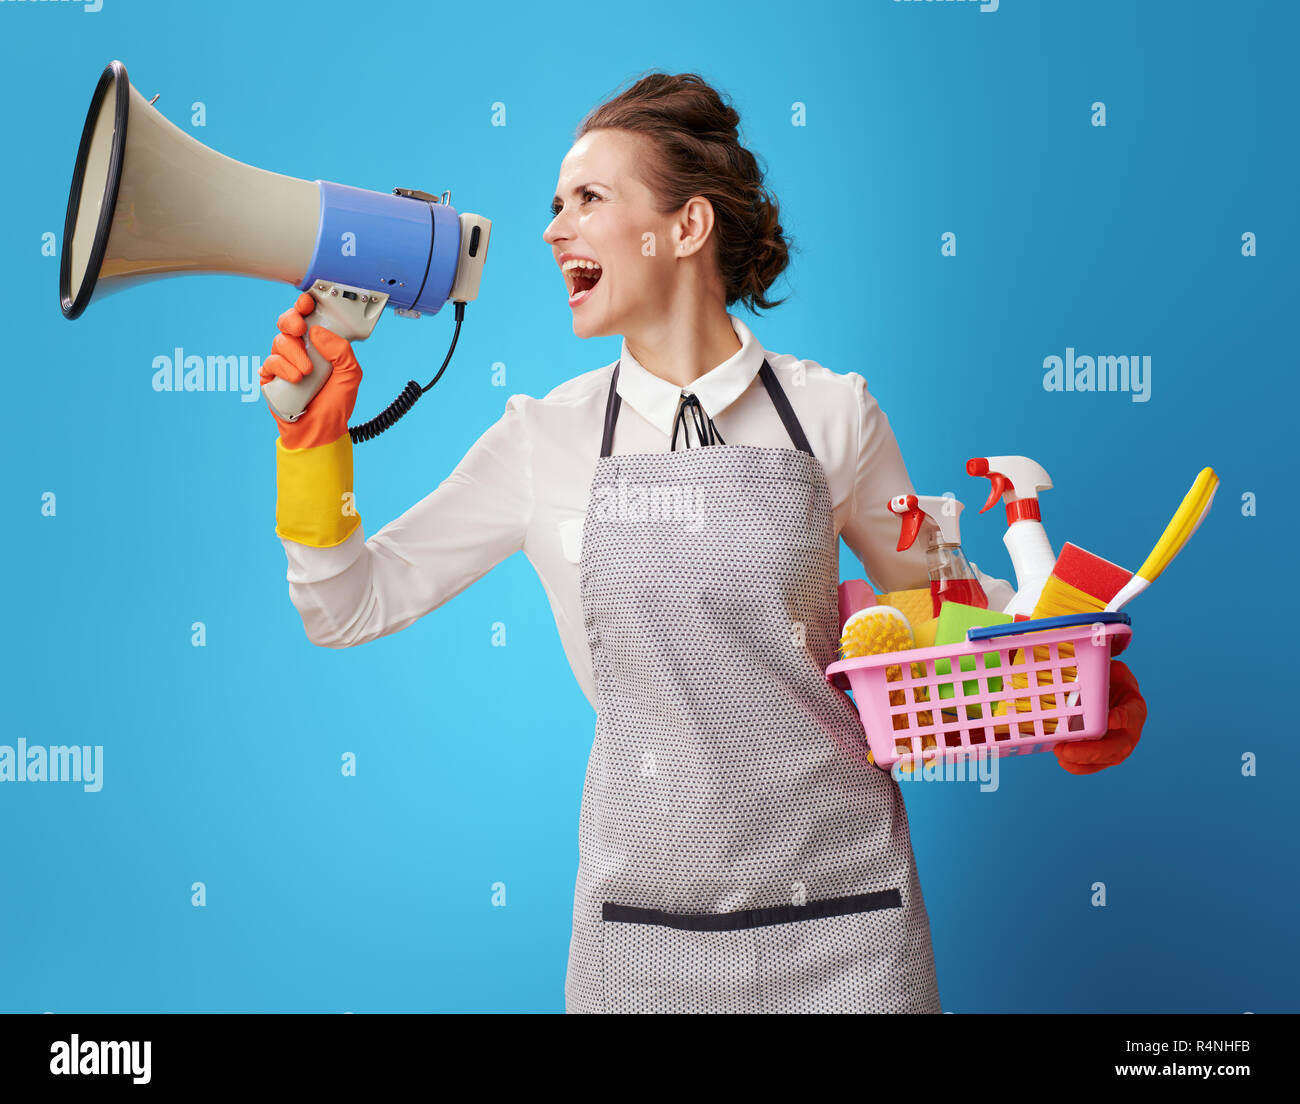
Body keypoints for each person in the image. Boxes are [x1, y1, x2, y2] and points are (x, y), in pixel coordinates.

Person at [260, 72, 1147, 1014]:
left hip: (851, 926)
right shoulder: (541, 440)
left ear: (687, 229)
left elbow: (943, 625)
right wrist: (312, 451)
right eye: (554, 207)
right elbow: (346, 605)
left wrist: (1063, 689)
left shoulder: (833, 414)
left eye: (589, 200)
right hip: (639, 937)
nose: (555, 230)